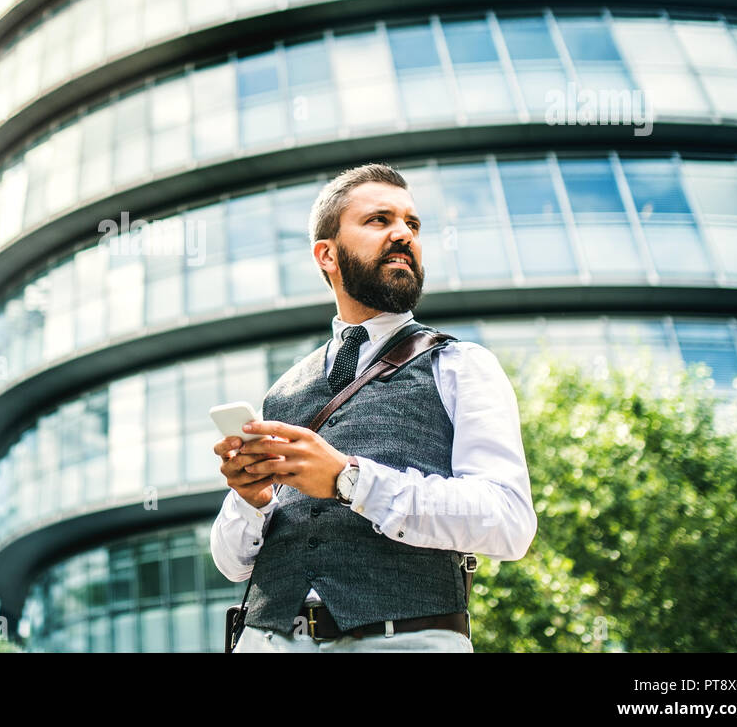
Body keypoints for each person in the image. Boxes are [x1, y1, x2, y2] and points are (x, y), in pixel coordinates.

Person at [210, 162, 536, 653]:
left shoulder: (461, 365)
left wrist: (349, 480)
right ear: (327, 255)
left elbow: (509, 523)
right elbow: (233, 564)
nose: (403, 234)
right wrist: (250, 500)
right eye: (379, 220)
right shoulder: (282, 392)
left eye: (412, 224)